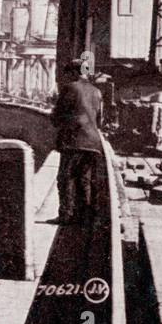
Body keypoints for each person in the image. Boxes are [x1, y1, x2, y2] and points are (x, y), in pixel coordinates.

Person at [50, 60, 104, 225]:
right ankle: (85, 217)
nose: (67, 77)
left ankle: (66, 215)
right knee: (84, 180)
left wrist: (53, 115)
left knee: (65, 178)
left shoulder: (70, 88)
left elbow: (57, 117)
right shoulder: (97, 91)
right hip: (93, 143)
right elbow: (100, 120)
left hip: (74, 141)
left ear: (74, 72)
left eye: (68, 73)